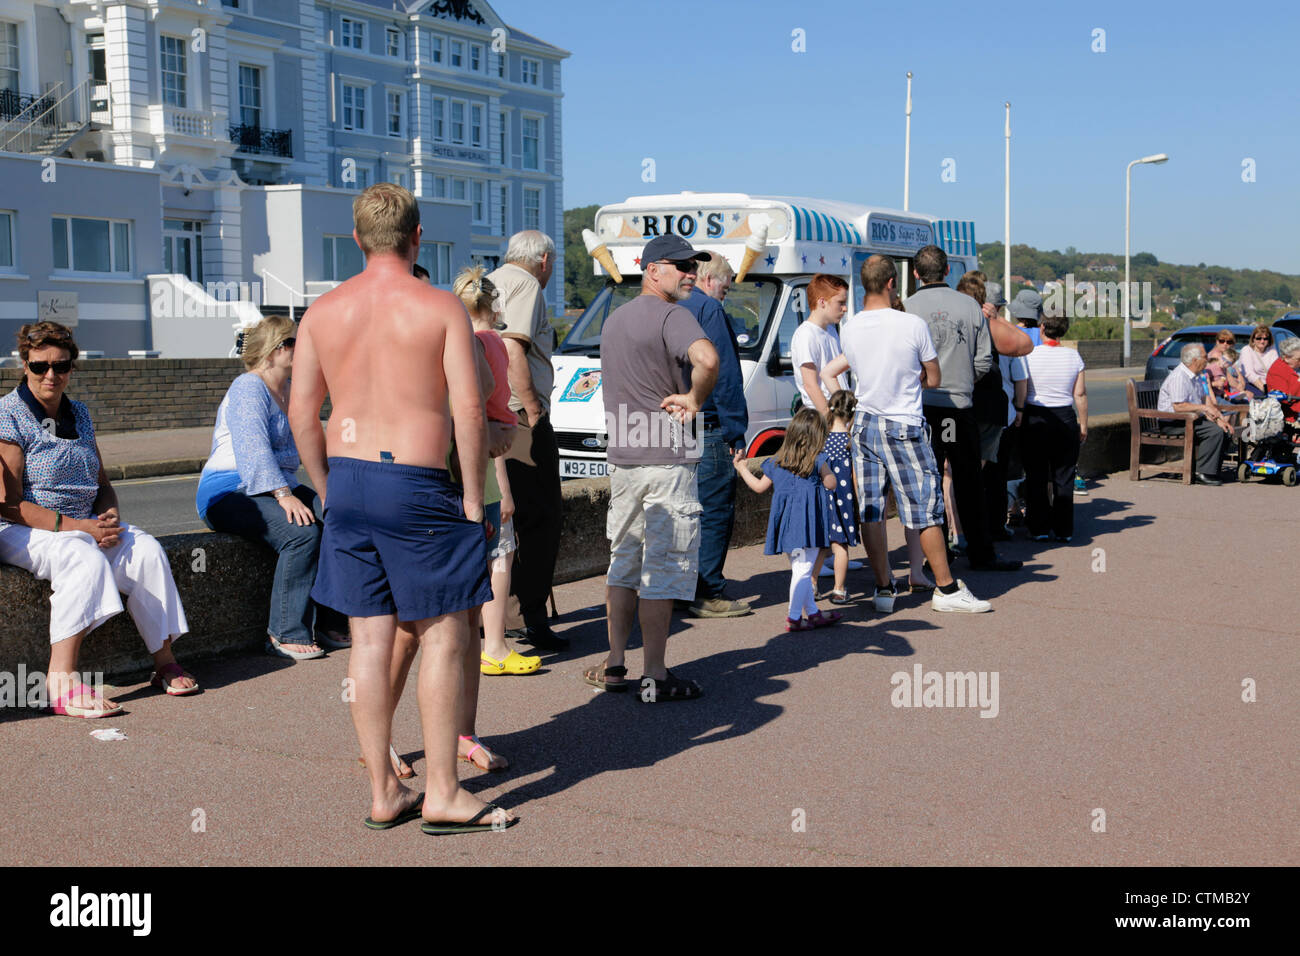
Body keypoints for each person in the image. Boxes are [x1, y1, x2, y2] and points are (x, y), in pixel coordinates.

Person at [288, 183, 514, 834]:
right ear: (417, 238)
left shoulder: (323, 312)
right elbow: (469, 410)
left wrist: (329, 488)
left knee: (370, 637)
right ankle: (443, 791)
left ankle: (386, 789)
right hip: (416, 482)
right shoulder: (438, 306)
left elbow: (304, 414)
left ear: (356, 241)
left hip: (351, 483)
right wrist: (472, 496)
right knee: (444, 634)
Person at [0, 321, 195, 716]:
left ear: (72, 367)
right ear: (24, 364)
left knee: (147, 551)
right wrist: (81, 528)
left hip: (83, 523)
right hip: (25, 527)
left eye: (61, 365)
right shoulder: (9, 414)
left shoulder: (81, 414)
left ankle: (164, 662)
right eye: (39, 366)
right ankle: (60, 683)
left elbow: (102, 481)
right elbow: (8, 503)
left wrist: (108, 517)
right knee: (81, 556)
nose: (50, 375)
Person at [582, 234, 718, 700]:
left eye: (693, 266)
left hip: (624, 458)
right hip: (666, 457)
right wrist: (694, 399)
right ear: (653, 269)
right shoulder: (673, 315)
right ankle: (655, 675)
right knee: (661, 568)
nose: (690, 273)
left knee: (623, 563)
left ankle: (616, 663)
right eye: (680, 266)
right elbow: (708, 358)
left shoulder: (615, 318)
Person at [819, 255, 992, 614]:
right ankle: (945, 588)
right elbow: (934, 376)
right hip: (904, 424)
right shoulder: (911, 325)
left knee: (872, 509)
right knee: (925, 507)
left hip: (865, 423)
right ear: (892, 282)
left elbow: (836, 371)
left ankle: (884, 588)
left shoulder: (849, 327)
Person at [196, 315, 349, 661]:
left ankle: (327, 621)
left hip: (275, 485)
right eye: (292, 342)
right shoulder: (248, 387)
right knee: (302, 534)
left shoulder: (289, 391)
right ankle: (284, 632)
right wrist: (283, 495)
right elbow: (253, 448)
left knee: (337, 518)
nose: (300, 348)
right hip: (230, 490)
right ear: (270, 351)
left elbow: (312, 442)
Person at [908, 245, 1020, 572]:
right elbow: (985, 358)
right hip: (958, 406)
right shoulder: (970, 306)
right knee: (969, 481)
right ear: (947, 272)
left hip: (924, 406)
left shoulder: (907, 308)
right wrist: (963, 380)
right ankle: (981, 552)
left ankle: (935, 556)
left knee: (929, 482)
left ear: (915, 273)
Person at [487, 232, 566, 652]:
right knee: (541, 519)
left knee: (505, 518)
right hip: (517, 415)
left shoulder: (490, 279)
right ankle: (527, 618)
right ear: (545, 260)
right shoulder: (528, 283)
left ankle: (504, 616)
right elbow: (513, 349)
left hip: (491, 412)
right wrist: (533, 411)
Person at [681, 251, 751, 618]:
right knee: (713, 509)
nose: (725, 294)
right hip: (707, 423)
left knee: (678, 511)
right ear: (709, 280)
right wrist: (736, 431)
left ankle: (678, 587)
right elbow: (724, 377)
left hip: (669, 423)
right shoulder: (709, 310)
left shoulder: (668, 306)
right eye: (724, 287)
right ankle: (708, 591)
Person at [732, 407, 842, 631]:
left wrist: (742, 468)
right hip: (809, 525)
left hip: (786, 525)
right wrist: (828, 476)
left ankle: (812, 613)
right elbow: (831, 483)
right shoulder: (817, 459)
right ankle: (793, 617)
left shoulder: (776, 462)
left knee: (800, 568)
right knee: (804, 571)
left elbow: (758, 487)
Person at [1021, 312, 1087, 542]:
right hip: (1065, 418)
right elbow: (1079, 394)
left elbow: (1023, 387)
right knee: (1064, 476)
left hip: (1035, 416)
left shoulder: (1029, 355)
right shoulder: (1074, 356)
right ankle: (1063, 529)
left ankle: (1038, 527)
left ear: (1042, 328)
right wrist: (1084, 425)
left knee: (1036, 474)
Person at [980, 280, 1033, 535]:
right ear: (999, 307)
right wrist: (1020, 409)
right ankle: (996, 526)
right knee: (998, 475)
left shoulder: (971, 331)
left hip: (976, 413)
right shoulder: (1008, 337)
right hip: (1005, 416)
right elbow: (1021, 380)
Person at [1156, 342, 1235, 485]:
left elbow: (1205, 400)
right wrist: (1205, 409)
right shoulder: (1180, 376)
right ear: (1194, 360)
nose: (1208, 359)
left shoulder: (1197, 375)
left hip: (1190, 418)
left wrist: (1219, 419)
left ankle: (1213, 470)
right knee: (1214, 432)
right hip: (1174, 421)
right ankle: (1202, 472)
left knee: (1224, 430)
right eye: (1205, 357)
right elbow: (1179, 406)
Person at [820, 390, 859, 604]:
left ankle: (813, 585)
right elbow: (853, 477)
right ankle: (839, 589)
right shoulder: (850, 442)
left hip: (822, 501)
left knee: (819, 545)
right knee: (840, 546)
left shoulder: (822, 440)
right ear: (853, 415)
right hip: (843, 501)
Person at [791, 274, 849, 416]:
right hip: (822, 415)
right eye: (840, 303)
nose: (845, 308)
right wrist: (829, 420)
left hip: (838, 410)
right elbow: (810, 385)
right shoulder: (806, 334)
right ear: (822, 302)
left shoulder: (831, 330)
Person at [1265, 337, 1300, 420]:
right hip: (1288, 415)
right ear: (1286, 358)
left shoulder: (1293, 367)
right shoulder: (1277, 371)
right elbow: (1282, 398)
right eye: (1299, 359)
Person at [1239, 325, 1279, 398]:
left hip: (1271, 386)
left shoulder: (1272, 350)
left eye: (1265, 338)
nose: (1262, 341)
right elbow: (1250, 374)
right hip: (1253, 385)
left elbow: (1277, 371)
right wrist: (1265, 390)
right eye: (1259, 338)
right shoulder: (1247, 350)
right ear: (1253, 339)